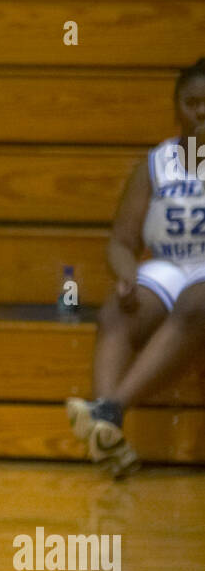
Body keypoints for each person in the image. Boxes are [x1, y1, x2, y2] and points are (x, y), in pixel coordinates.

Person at [67, 58, 205, 476]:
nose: (201, 112)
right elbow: (122, 241)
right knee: (116, 310)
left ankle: (109, 410)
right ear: (176, 108)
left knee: (196, 304)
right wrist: (125, 273)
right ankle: (109, 440)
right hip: (167, 264)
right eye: (192, 102)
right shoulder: (156, 162)